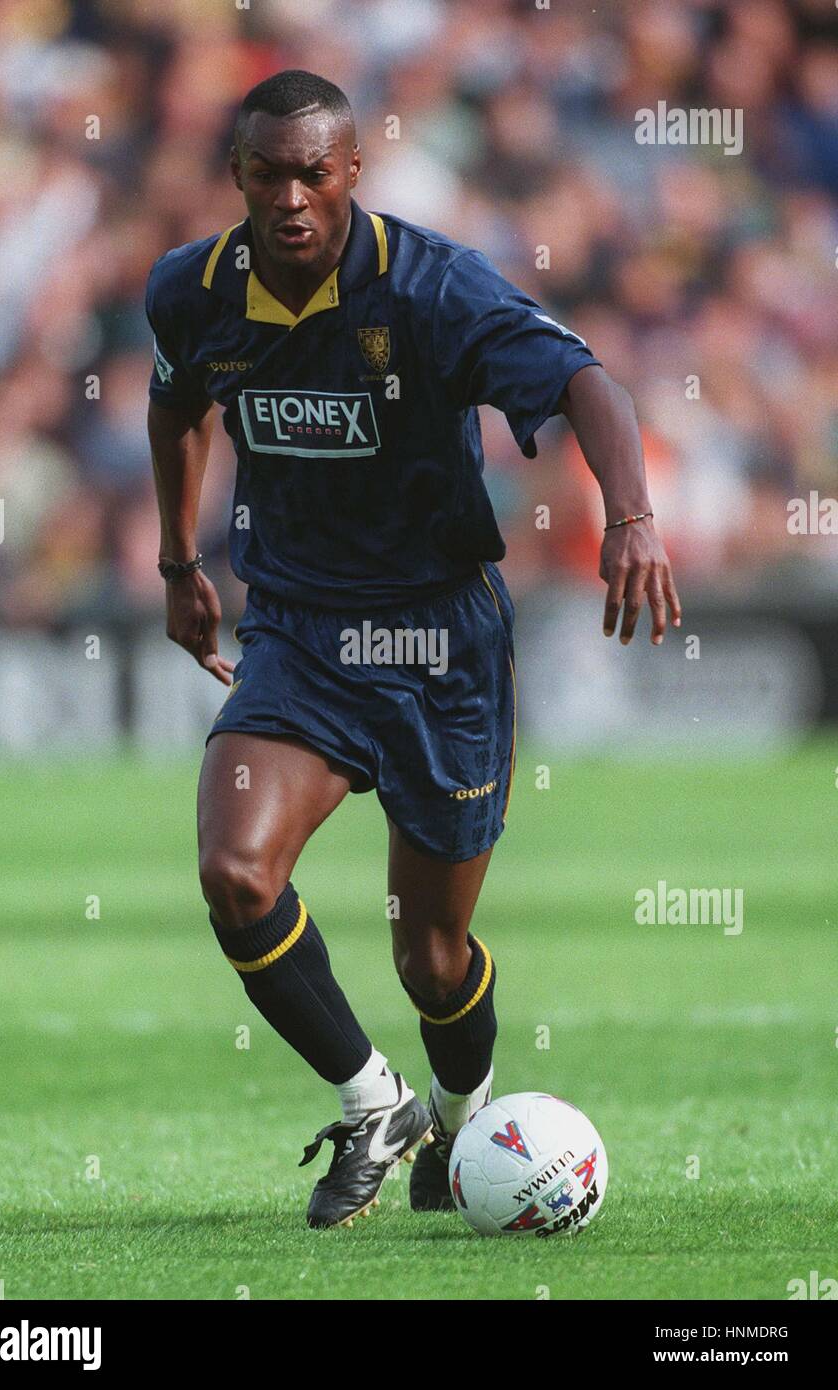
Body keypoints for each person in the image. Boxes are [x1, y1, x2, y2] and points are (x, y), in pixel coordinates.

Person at [146, 69, 681, 1229]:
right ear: (237, 175)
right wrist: (179, 561)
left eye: (313, 173)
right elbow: (175, 401)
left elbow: (586, 377)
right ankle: (373, 1101)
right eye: (267, 173)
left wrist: (631, 515)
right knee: (236, 872)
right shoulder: (191, 291)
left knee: (432, 960)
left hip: (439, 644)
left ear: (351, 173)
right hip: (297, 634)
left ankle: (461, 1109)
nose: (290, 196)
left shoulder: (431, 287)